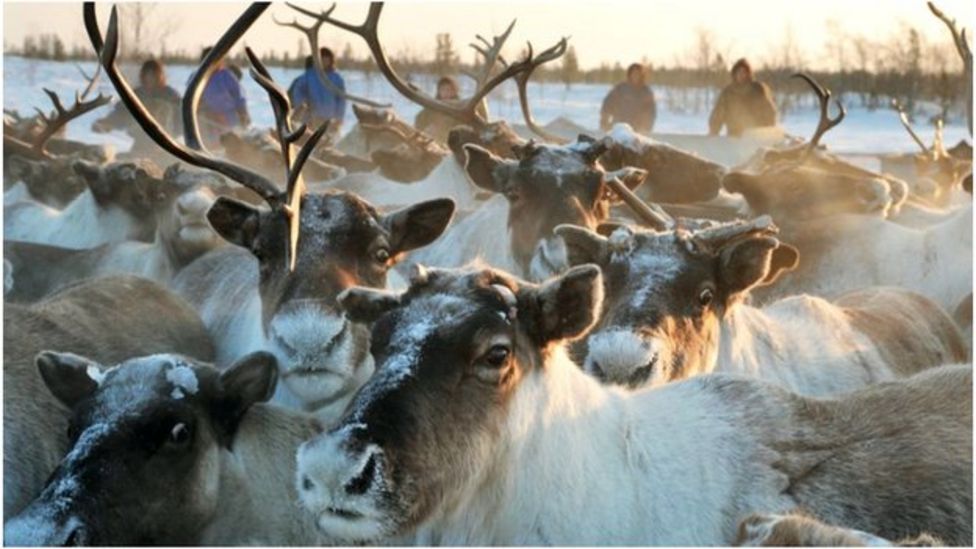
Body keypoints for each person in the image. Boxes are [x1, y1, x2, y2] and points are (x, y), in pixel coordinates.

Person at [92, 59, 180, 155]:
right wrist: (107, 123)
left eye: (153, 75)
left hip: (166, 148)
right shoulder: (136, 95)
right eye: (147, 74)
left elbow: (182, 120)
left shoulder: (170, 96)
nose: (149, 78)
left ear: (160, 76)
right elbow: (122, 113)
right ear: (143, 76)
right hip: (140, 146)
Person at [708, 58, 778, 137]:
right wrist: (713, 131)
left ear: (749, 74)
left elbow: (769, 112)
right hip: (735, 136)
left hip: (756, 136)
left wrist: (768, 132)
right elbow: (718, 114)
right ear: (734, 74)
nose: (741, 75)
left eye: (744, 72)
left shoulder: (758, 89)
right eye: (739, 72)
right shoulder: (728, 92)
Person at [196, 46, 249, 146]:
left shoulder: (226, 76)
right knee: (209, 143)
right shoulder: (197, 78)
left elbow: (239, 97)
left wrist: (243, 113)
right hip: (206, 120)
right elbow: (193, 100)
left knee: (231, 143)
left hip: (229, 119)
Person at [288, 47, 347, 136]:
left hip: (329, 120)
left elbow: (341, 99)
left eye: (327, 60)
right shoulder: (309, 75)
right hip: (311, 118)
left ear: (331, 61)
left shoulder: (337, 79)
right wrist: (302, 104)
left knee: (329, 143)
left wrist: (339, 117)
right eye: (322, 59)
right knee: (310, 141)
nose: (324, 62)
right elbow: (298, 91)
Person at [414, 76, 489, 143]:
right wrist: (425, 130)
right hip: (432, 145)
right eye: (443, 89)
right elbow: (419, 122)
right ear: (439, 91)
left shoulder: (463, 109)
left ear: (455, 91)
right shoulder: (431, 108)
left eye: (449, 89)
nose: (446, 92)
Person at [600, 63, 657, 134]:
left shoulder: (646, 92)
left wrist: (645, 128)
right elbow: (607, 104)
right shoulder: (620, 88)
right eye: (633, 73)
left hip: (637, 131)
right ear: (629, 74)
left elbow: (651, 113)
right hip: (619, 129)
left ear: (642, 75)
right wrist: (604, 120)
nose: (635, 76)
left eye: (638, 74)